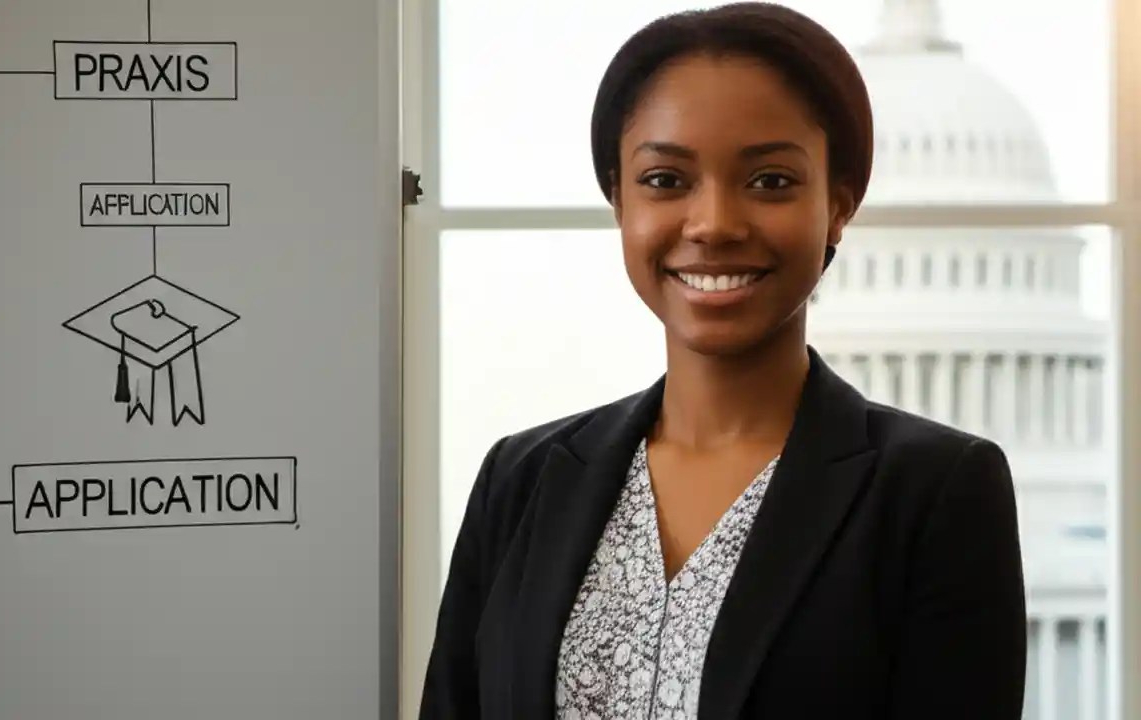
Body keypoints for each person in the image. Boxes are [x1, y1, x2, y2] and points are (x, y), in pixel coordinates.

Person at [418, 3, 1028, 718]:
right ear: (619, 199)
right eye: (665, 181)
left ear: (839, 205)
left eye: (770, 180)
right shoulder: (518, 483)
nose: (713, 225)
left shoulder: (935, 495)